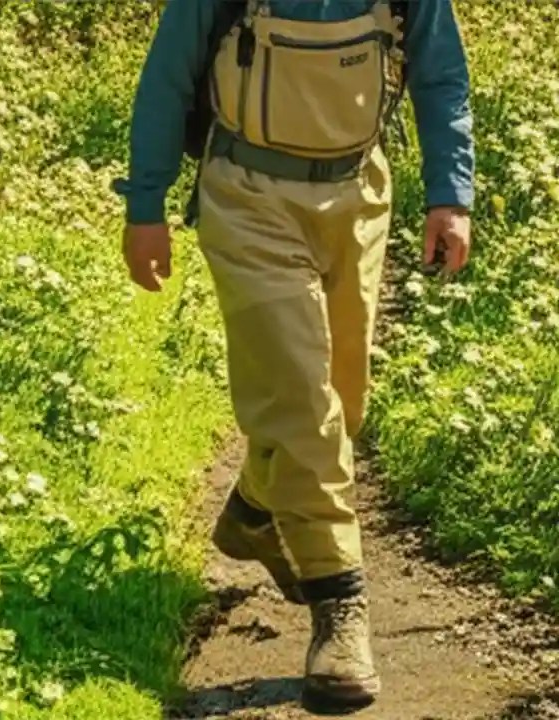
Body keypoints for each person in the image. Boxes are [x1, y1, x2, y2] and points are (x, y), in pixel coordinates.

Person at [117, 0, 473, 711]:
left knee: (342, 401)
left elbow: (441, 75)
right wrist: (145, 204)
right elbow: (167, 77)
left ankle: (255, 510)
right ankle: (340, 608)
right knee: (305, 405)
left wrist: (451, 194)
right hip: (246, 197)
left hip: (358, 196)